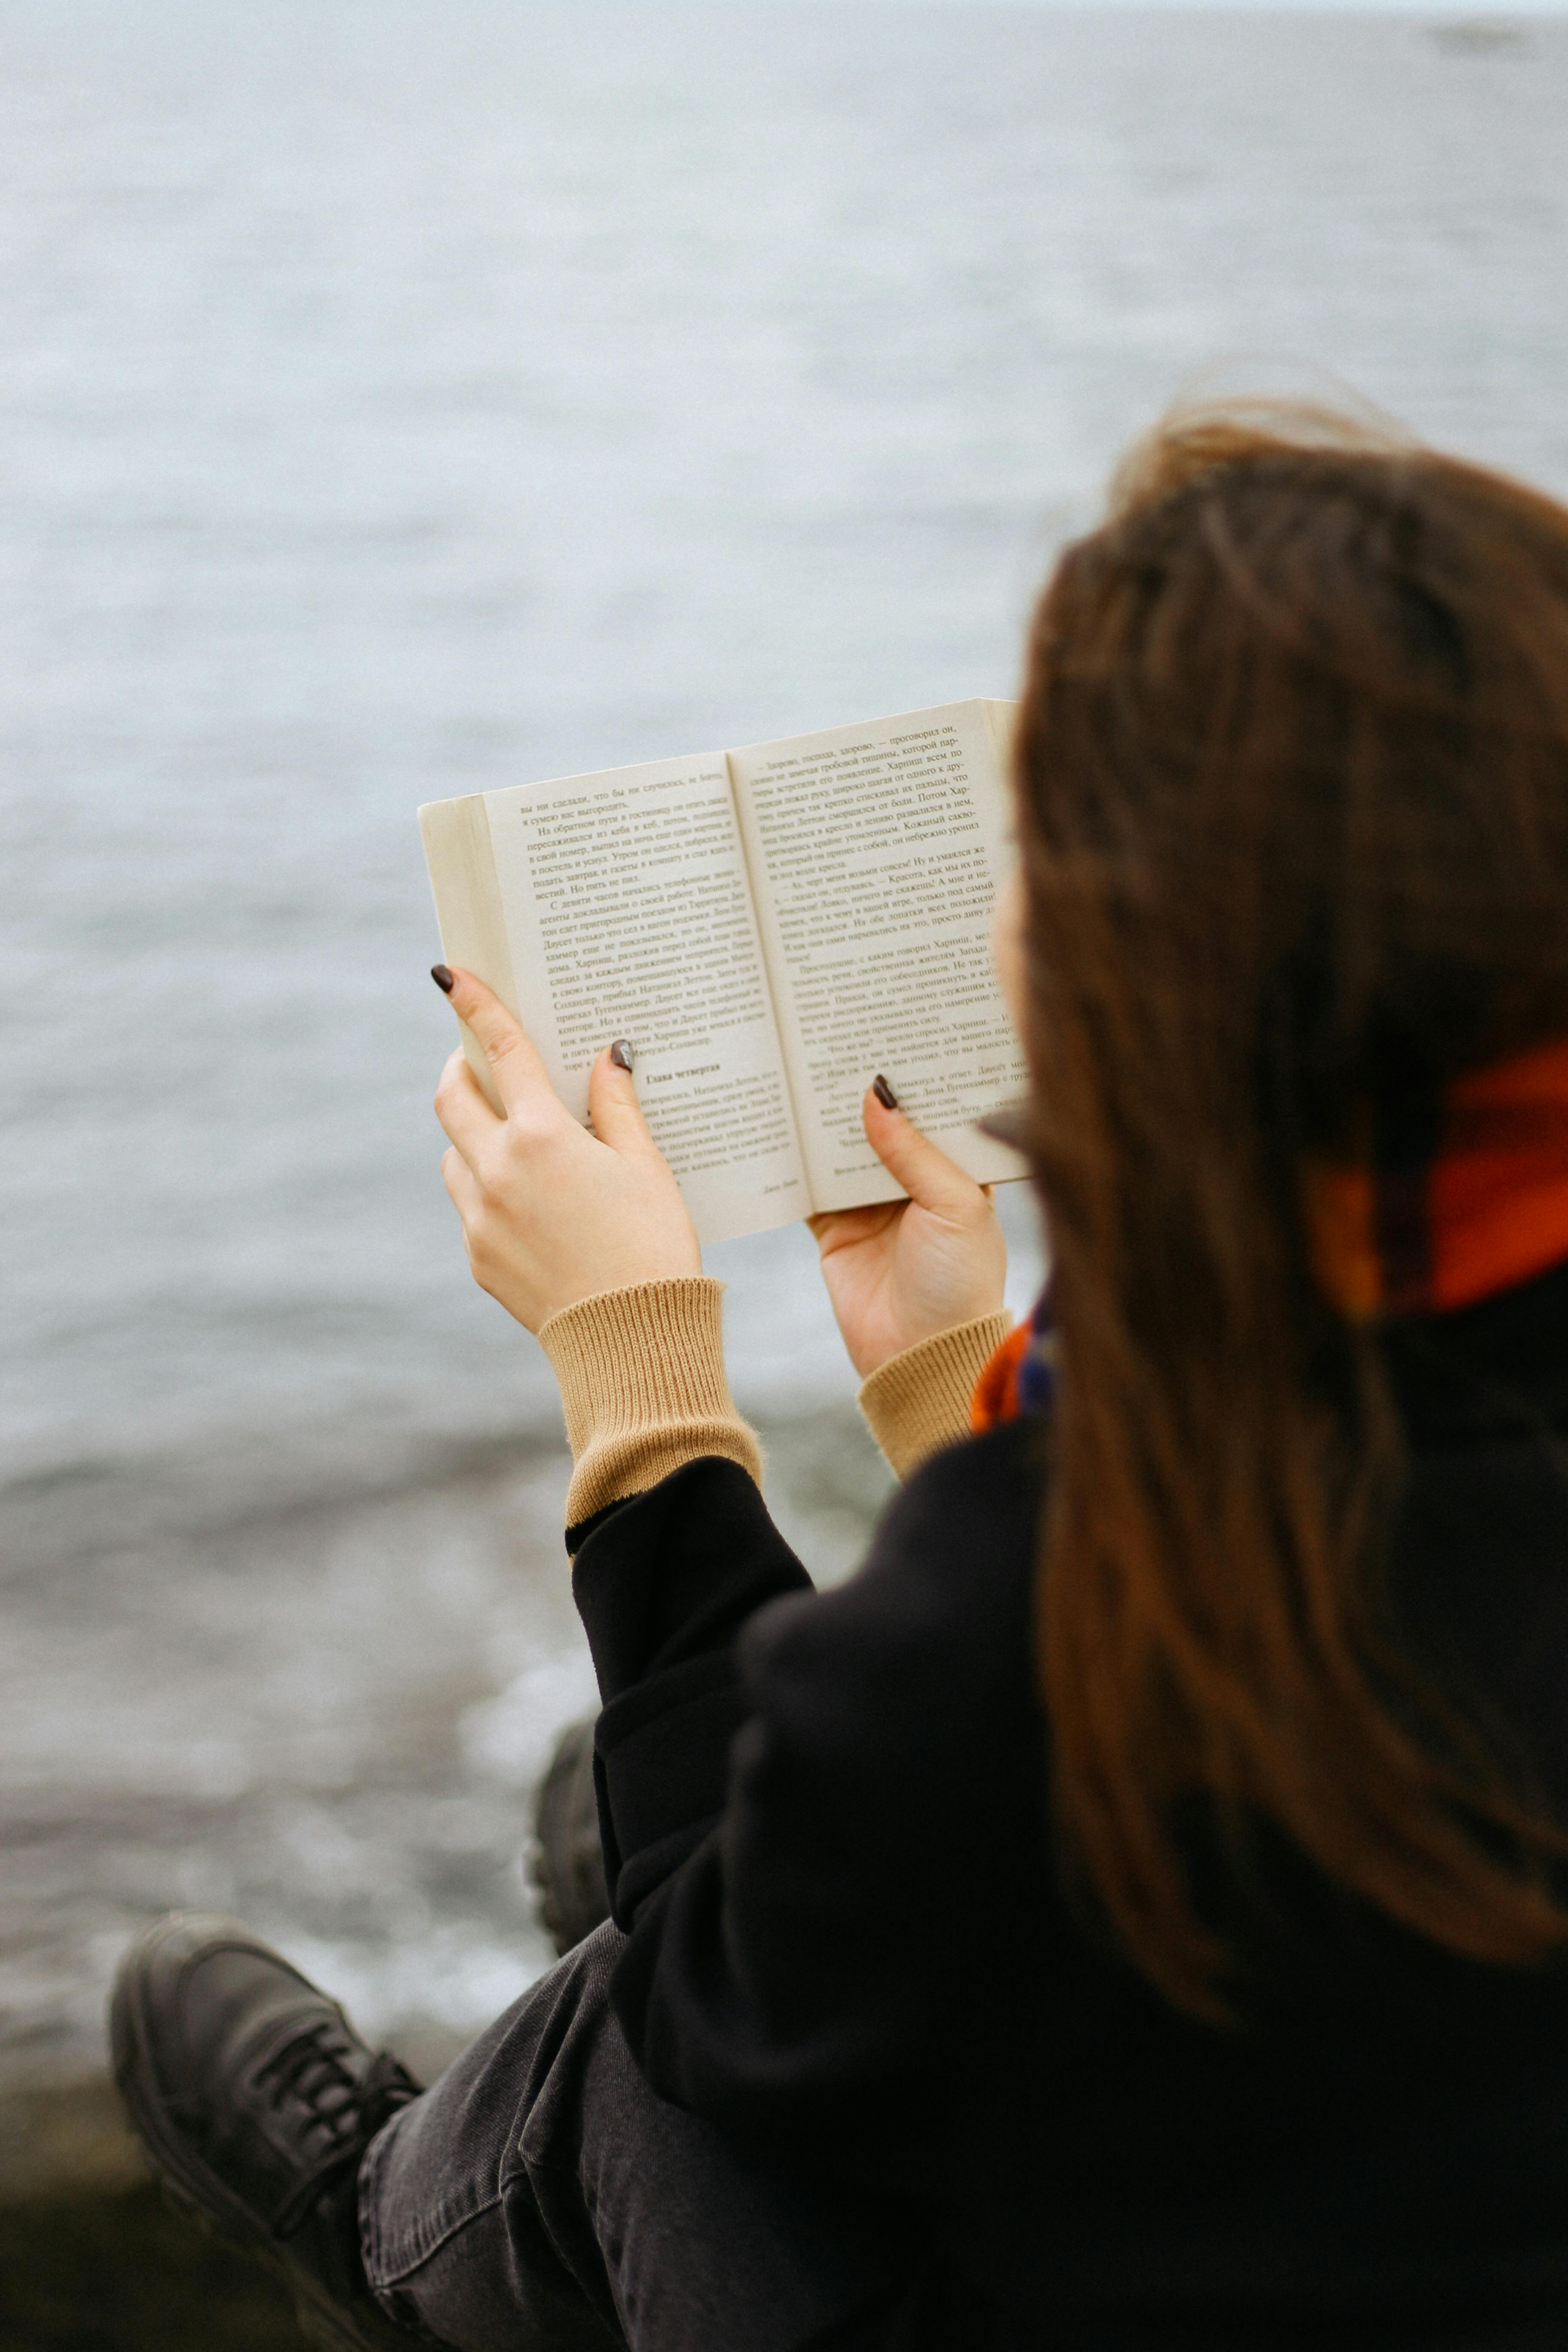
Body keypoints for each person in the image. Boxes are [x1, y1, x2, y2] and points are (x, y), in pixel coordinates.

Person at [111, 402, 1568, 2351]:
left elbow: (766, 1971)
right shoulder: (1380, 1372)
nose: (1008, 904)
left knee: (663, 2043)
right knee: (645, 1813)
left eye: (1038, 839)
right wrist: (956, 1379)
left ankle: (397, 2231)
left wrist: (632, 1374)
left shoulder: (1073, 1615)